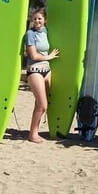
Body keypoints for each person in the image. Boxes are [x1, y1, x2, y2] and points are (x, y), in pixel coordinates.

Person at [25, 9, 59, 143]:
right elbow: (33, 55)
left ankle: (35, 131)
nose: (37, 21)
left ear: (45, 20)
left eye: (39, 18)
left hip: (47, 70)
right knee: (43, 105)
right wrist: (49, 57)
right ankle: (32, 134)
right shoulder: (30, 34)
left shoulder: (45, 31)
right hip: (35, 70)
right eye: (35, 19)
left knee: (39, 103)